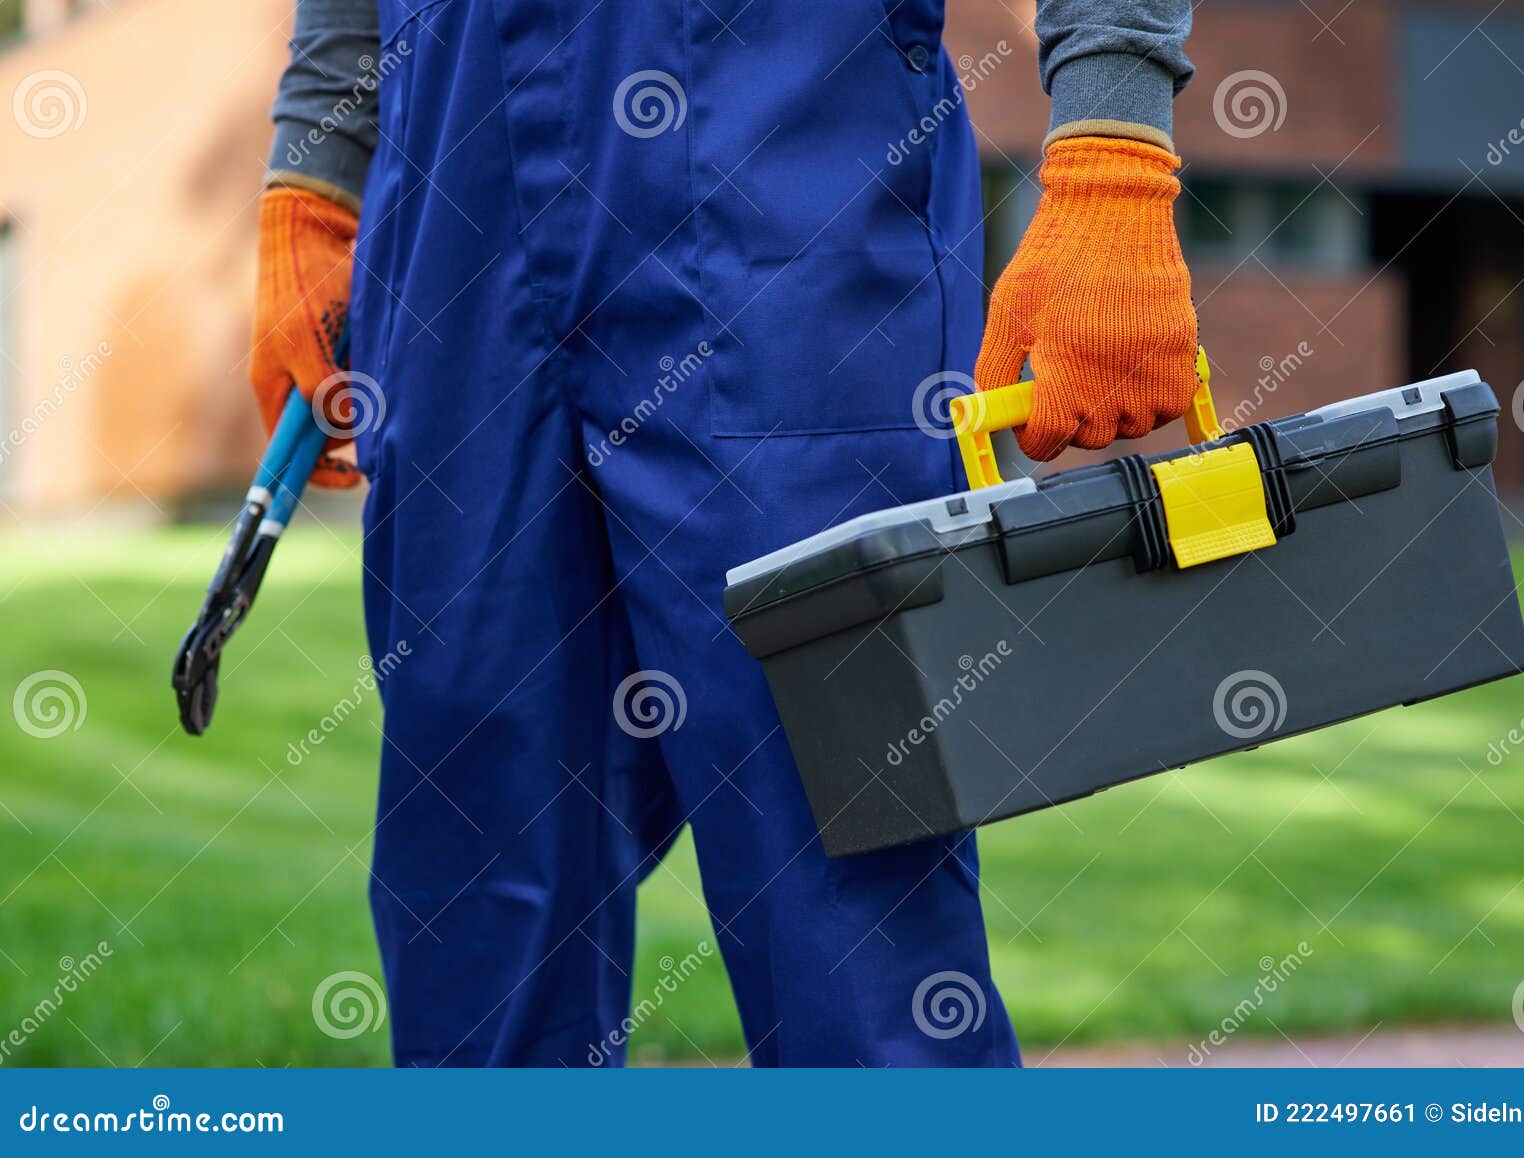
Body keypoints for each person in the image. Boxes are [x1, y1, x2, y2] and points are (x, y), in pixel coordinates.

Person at [250, 0, 1198, 1067]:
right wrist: (314, 179)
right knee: (473, 867)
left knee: (840, 857)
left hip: (788, 161)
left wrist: (1113, 146)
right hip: (453, 191)